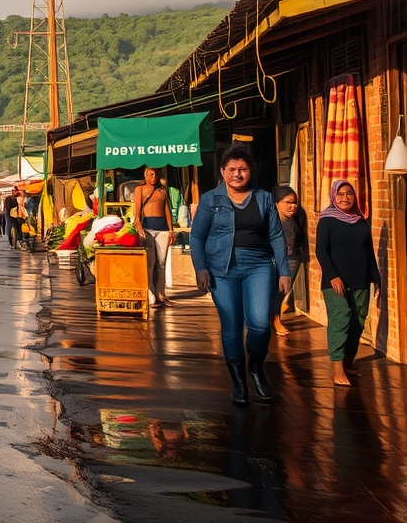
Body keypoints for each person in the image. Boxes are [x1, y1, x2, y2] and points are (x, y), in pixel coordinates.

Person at [191, 144, 290, 406]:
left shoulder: (264, 198)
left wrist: (284, 270)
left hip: (258, 266)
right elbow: (197, 236)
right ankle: (238, 381)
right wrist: (200, 267)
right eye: (232, 169)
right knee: (232, 327)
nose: (237, 173)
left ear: (250, 171)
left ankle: (255, 367)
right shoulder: (210, 199)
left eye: (243, 169)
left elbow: (277, 236)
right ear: (222, 172)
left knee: (259, 323)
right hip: (221, 269)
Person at [315, 180, 380, 386]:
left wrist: (376, 279)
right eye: (341, 194)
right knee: (341, 318)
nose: (345, 198)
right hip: (335, 282)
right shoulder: (327, 220)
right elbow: (321, 251)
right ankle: (337, 369)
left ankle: (347, 363)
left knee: (358, 321)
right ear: (334, 196)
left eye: (349, 193)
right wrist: (333, 275)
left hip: (360, 279)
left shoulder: (361, 221)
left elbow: (369, 253)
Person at [131, 167, 174, 308]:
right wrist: (139, 227)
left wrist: (171, 230)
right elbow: (137, 212)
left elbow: (167, 210)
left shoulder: (162, 191)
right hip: (148, 227)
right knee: (150, 263)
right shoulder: (140, 189)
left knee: (161, 263)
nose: (153, 178)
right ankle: (151, 294)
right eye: (150, 175)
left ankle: (161, 293)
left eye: (155, 175)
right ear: (145, 175)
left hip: (162, 229)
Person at [273, 184, 310, 335]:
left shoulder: (299, 217)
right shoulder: (272, 220)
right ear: (277, 203)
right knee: (273, 291)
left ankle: (275, 318)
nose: (292, 206)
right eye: (288, 202)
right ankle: (273, 320)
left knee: (282, 291)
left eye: (294, 202)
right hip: (274, 259)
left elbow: (302, 238)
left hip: (293, 258)